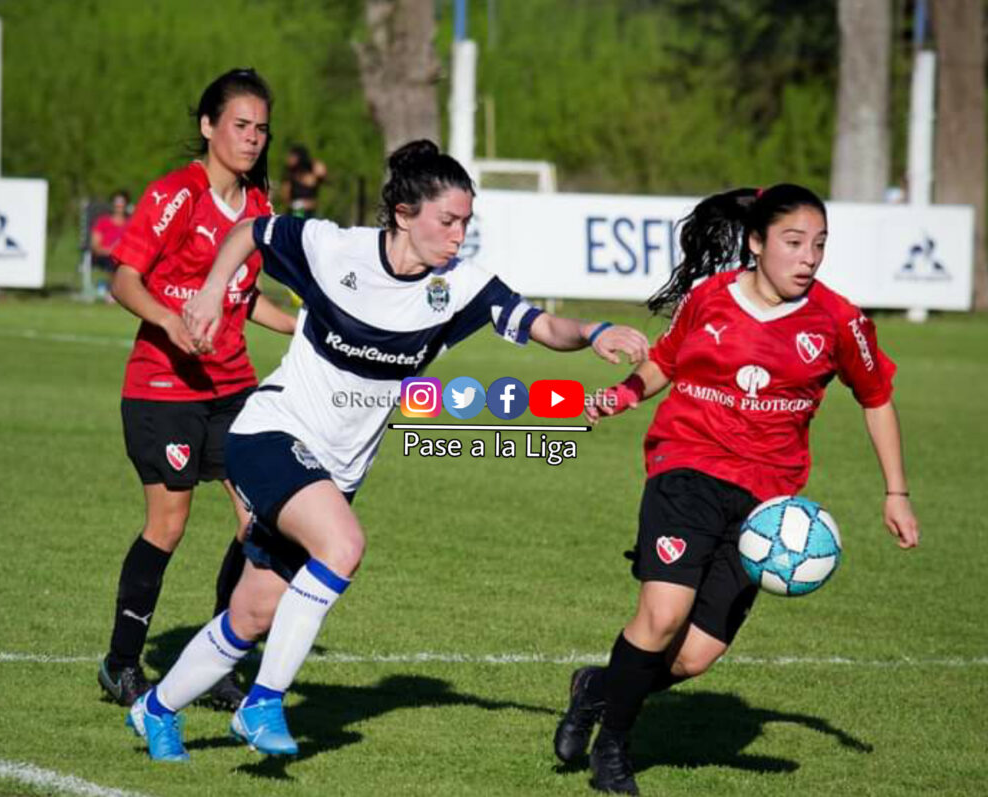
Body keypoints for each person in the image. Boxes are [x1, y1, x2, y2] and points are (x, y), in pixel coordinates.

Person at [122, 139, 651, 761]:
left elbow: (542, 326)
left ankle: (153, 710)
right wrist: (213, 292)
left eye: (465, 224)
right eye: (447, 221)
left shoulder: (460, 287)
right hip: (271, 433)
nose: (458, 236)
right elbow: (250, 231)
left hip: (336, 470)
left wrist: (592, 332)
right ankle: (262, 703)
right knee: (343, 545)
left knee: (253, 613)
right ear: (404, 213)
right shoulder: (333, 249)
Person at [552, 184, 921, 795]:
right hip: (687, 466)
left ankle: (598, 687)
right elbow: (667, 360)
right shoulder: (710, 297)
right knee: (663, 614)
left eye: (820, 245)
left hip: (767, 503)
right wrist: (623, 394)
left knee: (695, 656)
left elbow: (876, 397)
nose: (809, 257)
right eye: (794, 242)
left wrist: (896, 492)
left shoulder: (839, 320)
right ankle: (613, 747)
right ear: (756, 242)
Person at [98, 68, 296, 713]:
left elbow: (245, 298)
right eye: (240, 126)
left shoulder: (258, 209)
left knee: (257, 524)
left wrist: (302, 328)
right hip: (163, 388)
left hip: (234, 389)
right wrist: (168, 320)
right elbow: (124, 281)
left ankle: (216, 662)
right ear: (209, 126)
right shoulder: (176, 195)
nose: (252, 139)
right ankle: (122, 664)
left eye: (261, 129)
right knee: (170, 523)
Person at [90, 190, 131, 299]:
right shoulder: (102, 222)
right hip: (106, 256)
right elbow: (95, 245)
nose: (119, 207)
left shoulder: (131, 223)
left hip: (126, 256)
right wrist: (110, 250)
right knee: (113, 260)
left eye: (121, 204)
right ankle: (113, 291)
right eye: (116, 204)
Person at [279, 143, 326, 219]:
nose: (289, 159)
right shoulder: (289, 174)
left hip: (310, 210)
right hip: (296, 209)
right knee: (297, 221)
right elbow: (285, 195)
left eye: (292, 156)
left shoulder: (311, 171)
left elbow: (322, 172)